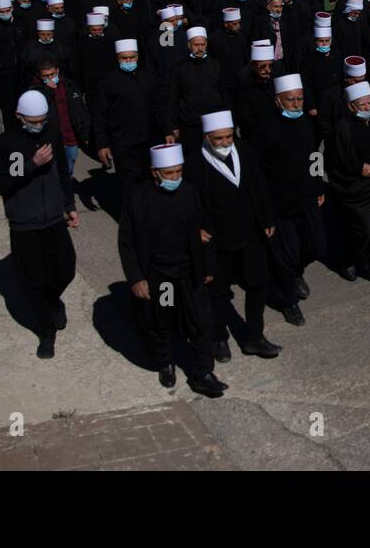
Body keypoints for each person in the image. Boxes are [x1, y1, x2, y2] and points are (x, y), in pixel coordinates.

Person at [118, 143, 227, 398]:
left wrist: (208, 266)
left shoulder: (189, 193)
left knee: (200, 322)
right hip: (162, 276)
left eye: (179, 172)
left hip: (190, 274)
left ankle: (203, 373)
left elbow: (206, 231)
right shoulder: (138, 198)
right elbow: (127, 241)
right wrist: (136, 278)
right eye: (170, 173)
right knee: (162, 320)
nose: (175, 178)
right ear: (154, 172)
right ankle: (165, 363)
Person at [0, 90, 79, 359]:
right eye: (33, 120)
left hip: (52, 217)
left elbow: (63, 172)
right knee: (35, 281)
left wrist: (69, 206)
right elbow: (3, 183)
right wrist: (32, 164)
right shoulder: (8, 142)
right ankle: (46, 334)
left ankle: (54, 301)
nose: (38, 125)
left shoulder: (51, 133)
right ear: (19, 116)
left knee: (65, 269)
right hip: (24, 223)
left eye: (42, 120)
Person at [192, 110, 281, 362]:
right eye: (219, 139)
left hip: (249, 231)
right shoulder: (196, 164)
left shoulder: (243, 151)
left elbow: (258, 185)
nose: (224, 143)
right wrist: (198, 229)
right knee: (218, 291)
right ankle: (219, 336)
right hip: (216, 239)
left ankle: (254, 336)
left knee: (258, 283)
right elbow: (192, 204)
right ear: (207, 137)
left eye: (228, 137)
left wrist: (266, 218)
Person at [258, 74, 328, 325]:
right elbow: (260, 175)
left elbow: (314, 157)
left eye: (299, 99)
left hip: (307, 198)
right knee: (285, 256)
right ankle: (288, 301)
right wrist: (266, 212)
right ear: (278, 101)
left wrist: (319, 185)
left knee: (316, 246)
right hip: (282, 204)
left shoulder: (306, 123)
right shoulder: (266, 128)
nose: (296, 104)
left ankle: (297, 272)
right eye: (291, 100)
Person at [326, 81, 370, 286]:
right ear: (351, 107)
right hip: (357, 189)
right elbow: (335, 162)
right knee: (365, 230)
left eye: (369, 103)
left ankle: (369, 265)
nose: (368, 108)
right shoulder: (343, 129)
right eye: (362, 105)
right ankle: (349, 261)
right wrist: (359, 167)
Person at [93, 39, 160, 189]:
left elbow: (159, 107)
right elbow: (100, 116)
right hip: (123, 143)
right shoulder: (108, 82)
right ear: (117, 58)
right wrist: (102, 144)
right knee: (129, 184)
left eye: (132, 57)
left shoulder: (148, 78)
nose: (129, 61)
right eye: (124, 58)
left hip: (149, 140)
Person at [162, 26, 226, 161]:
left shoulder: (216, 65)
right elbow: (172, 99)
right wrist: (171, 127)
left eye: (203, 44)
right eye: (196, 45)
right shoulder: (179, 68)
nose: (200, 48)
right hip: (190, 125)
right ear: (189, 45)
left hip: (214, 123)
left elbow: (224, 94)